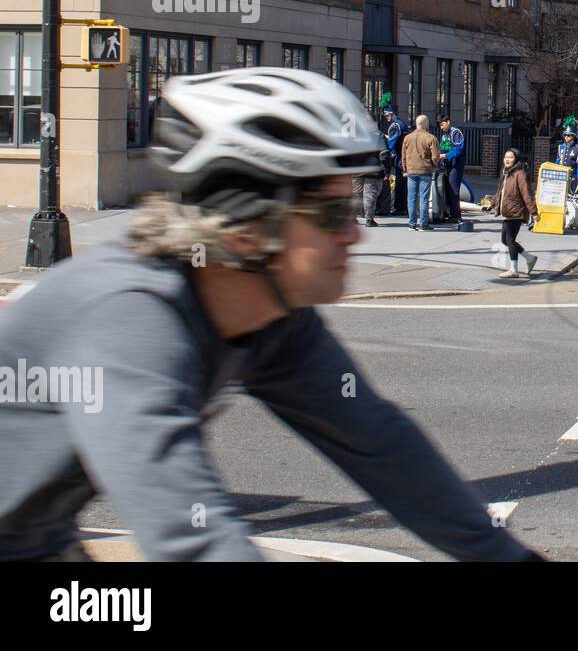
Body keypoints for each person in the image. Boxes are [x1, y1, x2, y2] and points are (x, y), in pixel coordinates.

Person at [0, 67, 540, 562]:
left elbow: (383, 449)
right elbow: (194, 536)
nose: (353, 230)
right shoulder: (131, 321)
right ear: (244, 227)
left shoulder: (271, 315)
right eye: (330, 213)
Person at [483, 148, 538, 279]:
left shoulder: (520, 174)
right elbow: (499, 193)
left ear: (516, 160)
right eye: (506, 157)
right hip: (508, 211)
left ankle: (514, 270)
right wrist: (491, 204)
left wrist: (534, 212)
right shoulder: (506, 173)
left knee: (509, 240)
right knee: (505, 239)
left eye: (511, 157)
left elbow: (527, 193)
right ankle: (529, 258)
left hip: (516, 212)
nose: (507, 160)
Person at [402, 115, 440, 232]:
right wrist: (434, 165)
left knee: (411, 198)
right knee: (424, 198)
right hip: (425, 170)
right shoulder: (431, 138)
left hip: (411, 171)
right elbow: (435, 157)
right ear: (426, 124)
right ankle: (423, 224)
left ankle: (412, 224)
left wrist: (405, 170)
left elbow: (403, 156)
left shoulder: (407, 138)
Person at [436, 116, 467, 223]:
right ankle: (450, 213)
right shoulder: (445, 135)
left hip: (456, 165)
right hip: (448, 165)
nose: (441, 127)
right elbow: (443, 149)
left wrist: (445, 156)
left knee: (454, 189)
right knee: (449, 189)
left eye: (442, 124)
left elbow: (459, 150)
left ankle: (456, 216)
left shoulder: (455, 132)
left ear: (448, 122)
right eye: (439, 125)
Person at [383, 108, 411, 216]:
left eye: (387, 115)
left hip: (400, 157)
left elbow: (391, 142)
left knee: (401, 183)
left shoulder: (396, 125)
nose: (386, 118)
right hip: (401, 156)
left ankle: (400, 208)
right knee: (402, 183)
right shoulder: (400, 123)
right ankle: (402, 207)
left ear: (392, 114)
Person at [557, 125, 578, 194]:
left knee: (572, 197)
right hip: (561, 176)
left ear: (573, 136)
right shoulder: (560, 147)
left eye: (568, 135)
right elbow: (558, 161)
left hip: (572, 177)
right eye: (565, 135)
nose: (566, 137)